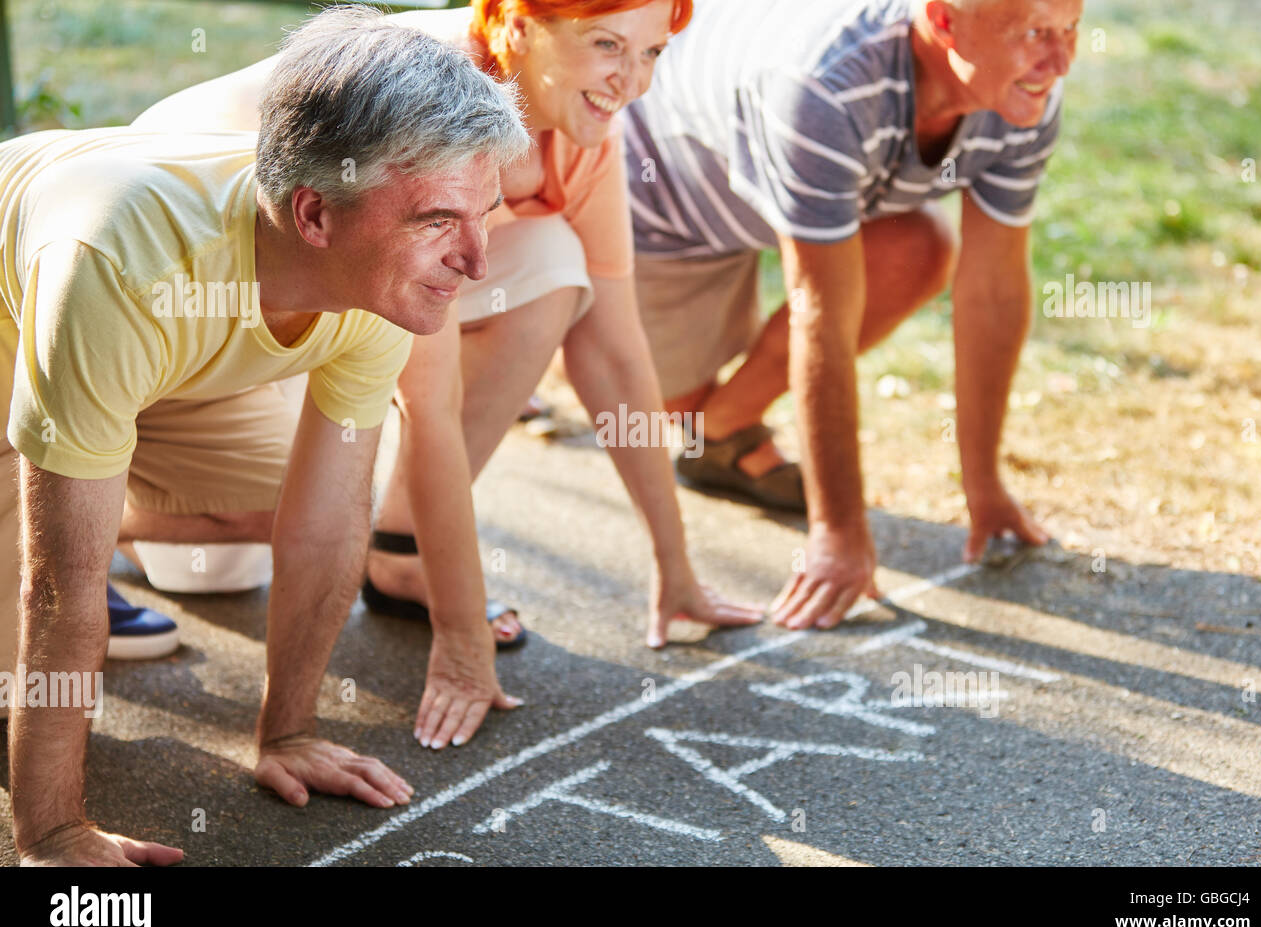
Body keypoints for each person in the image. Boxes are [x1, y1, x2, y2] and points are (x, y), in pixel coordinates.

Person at [133, 0, 764, 754]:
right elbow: (426, 403)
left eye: (653, 53)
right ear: (523, 25)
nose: (634, 81)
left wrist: (676, 567)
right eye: (607, 45)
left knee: (556, 262)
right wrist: (462, 644)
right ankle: (67, 507)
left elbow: (616, 347)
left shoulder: (581, 130)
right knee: (282, 527)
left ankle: (399, 549)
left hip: (313, 293)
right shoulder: (432, 107)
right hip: (179, 295)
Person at [2, 7, 531, 865]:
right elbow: (61, 585)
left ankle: (91, 494)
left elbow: (325, 524)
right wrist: (53, 834)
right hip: (38, 347)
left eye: (485, 215)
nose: (476, 260)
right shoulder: (118, 260)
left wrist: (289, 732)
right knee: (41, 600)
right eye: (437, 221)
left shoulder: (374, 277)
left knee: (317, 501)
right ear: (315, 215)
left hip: (147, 368)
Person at [623, 0, 1078, 628]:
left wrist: (986, 488)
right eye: (1034, 33)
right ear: (943, 21)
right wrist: (836, 532)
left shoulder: (1022, 92)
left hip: (780, 200)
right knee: (652, 414)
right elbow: (821, 314)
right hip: (659, 208)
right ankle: (681, 408)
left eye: (1071, 28)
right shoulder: (824, 86)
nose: (1060, 61)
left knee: (921, 249)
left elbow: (992, 293)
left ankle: (722, 433)